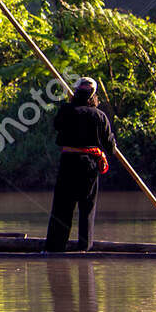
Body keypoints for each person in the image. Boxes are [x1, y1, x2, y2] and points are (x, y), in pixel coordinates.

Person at [44, 77, 118, 253]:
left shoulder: (66, 110)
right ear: (93, 96)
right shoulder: (99, 116)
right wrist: (111, 146)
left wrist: (71, 105)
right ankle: (84, 248)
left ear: (75, 93)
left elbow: (57, 126)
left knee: (62, 207)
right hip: (88, 166)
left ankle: (55, 248)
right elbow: (110, 146)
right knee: (87, 208)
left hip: (69, 164)